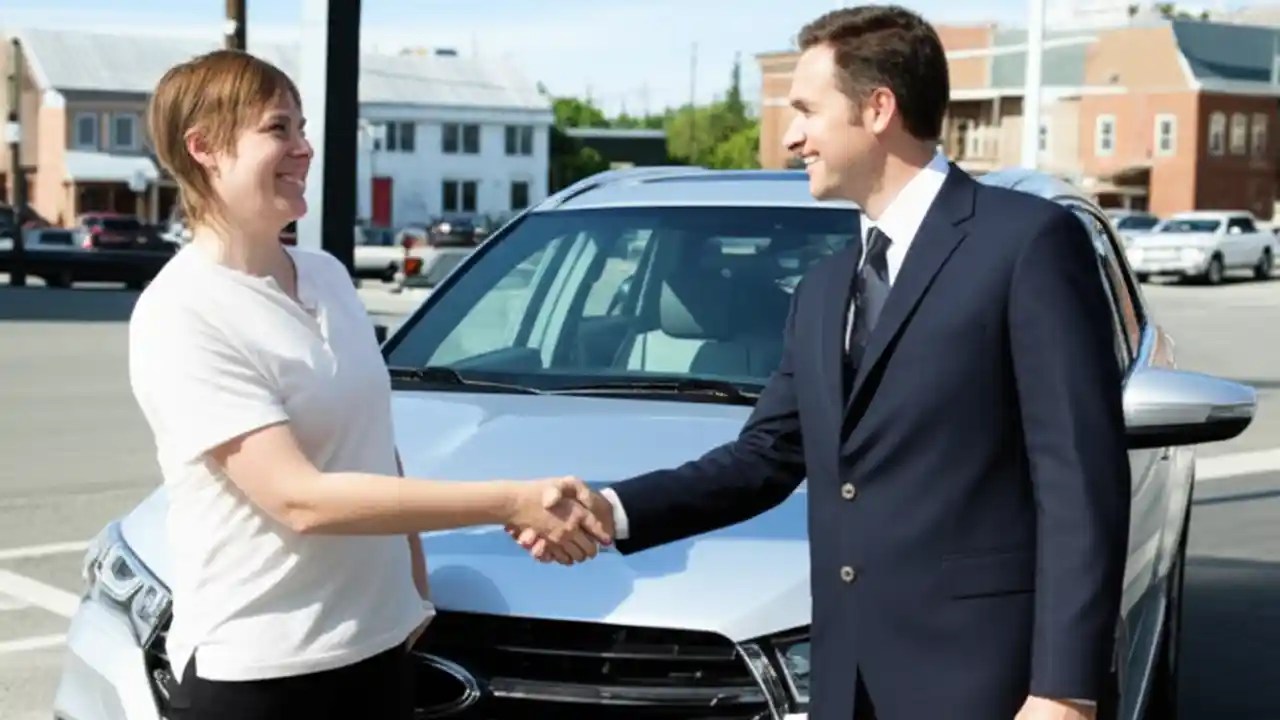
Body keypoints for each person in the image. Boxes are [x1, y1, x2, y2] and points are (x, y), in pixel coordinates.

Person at [511, 6, 1130, 720]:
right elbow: (765, 456)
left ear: (877, 108)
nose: (791, 135)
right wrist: (611, 509)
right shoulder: (827, 286)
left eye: (806, 109)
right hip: (843, 680)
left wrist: (1063, 689)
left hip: (989, 681)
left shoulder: (1027, 242)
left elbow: (1080, 481)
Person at [129, 50, 608, 720]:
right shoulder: (184, 310)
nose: (304, 148)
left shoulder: (324, 276)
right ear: (203, 147)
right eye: (278, 130)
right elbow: (299, 499)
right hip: (262, 673)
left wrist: (410, 591)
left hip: (376, 653)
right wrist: (511, 501)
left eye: (302, 127)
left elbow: (373, 444)